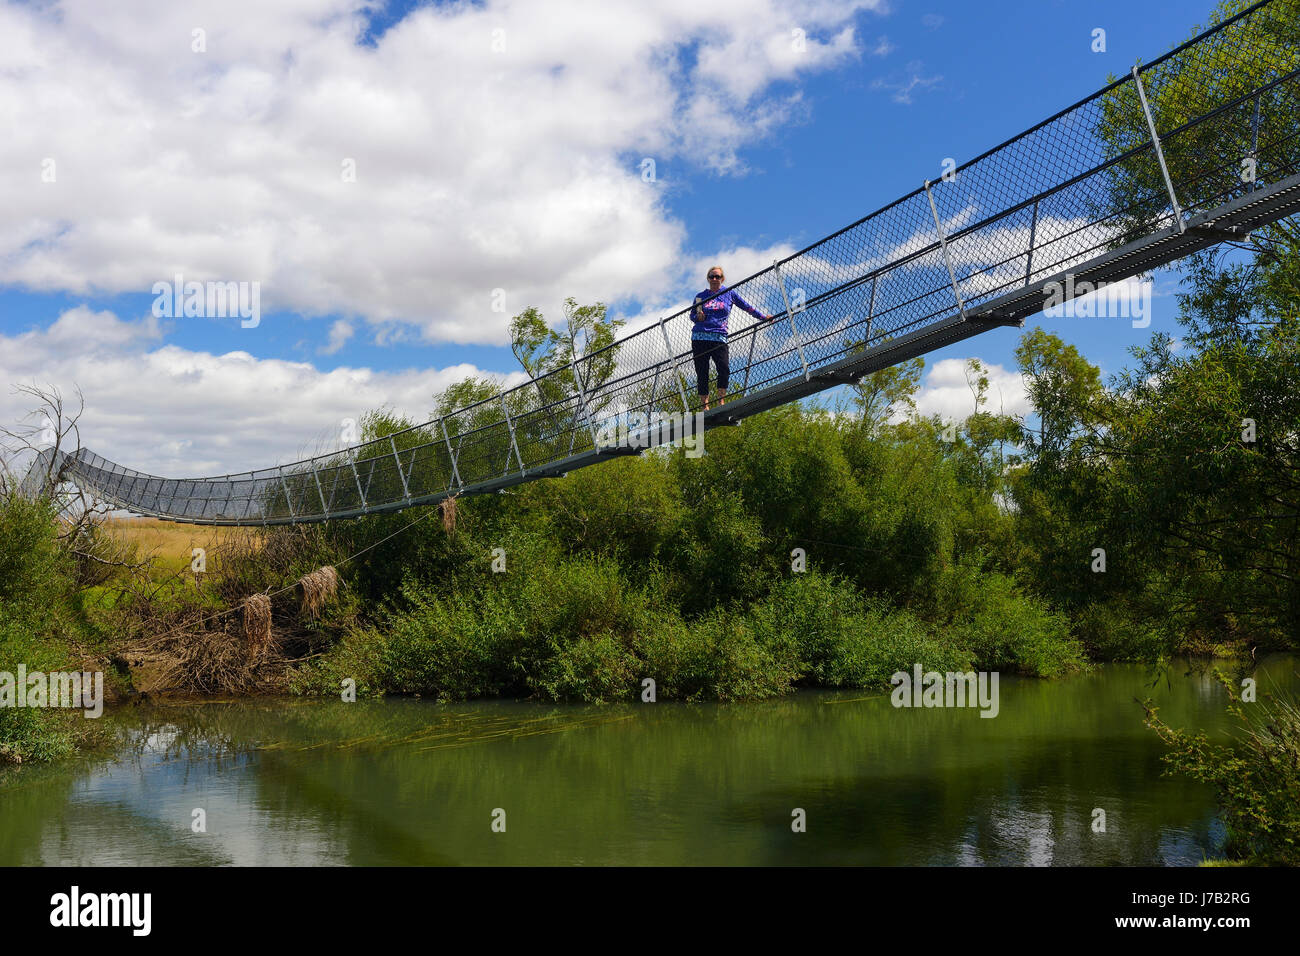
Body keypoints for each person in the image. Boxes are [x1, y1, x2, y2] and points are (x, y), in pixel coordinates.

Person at [690, 266, 770, 410]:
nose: (714, 279)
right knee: (702, 372)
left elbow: (746, 307)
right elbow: (692, 315)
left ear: (723, 278)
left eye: (717, 277)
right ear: (708, 278)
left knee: (724, 368)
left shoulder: (729, 293)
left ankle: (721, 401)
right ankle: (705, 406)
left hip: (719, 337)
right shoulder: (700, 296)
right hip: (699, 337)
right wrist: (698, 317)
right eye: (712, 276)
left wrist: (763, 317)